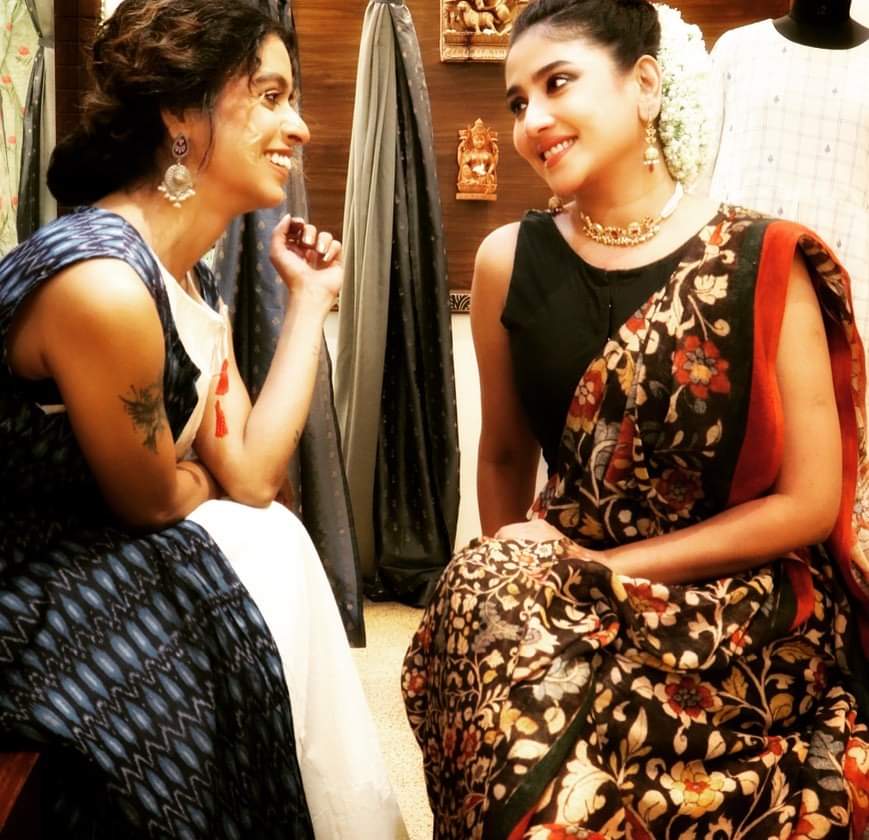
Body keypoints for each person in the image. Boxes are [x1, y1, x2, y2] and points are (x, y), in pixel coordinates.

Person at [402, 1, 869, 837]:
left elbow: (805, 503)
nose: (531, 121)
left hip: (736, 609)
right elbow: (504, 455)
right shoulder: (508, 259)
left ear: (645, 84)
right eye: (517, 101)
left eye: (557, 83)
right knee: (474, 598)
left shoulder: (763, 260)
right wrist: (531, 597)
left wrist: (606, 568)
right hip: (568, 588)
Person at [0, 1, 406, 837]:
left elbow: (251, 475)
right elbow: (152, 500)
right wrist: (193, 479)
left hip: (84, 550)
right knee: (251, 577)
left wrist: (310, 299)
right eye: (270, 96)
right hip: (21, 585)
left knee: (272, 538)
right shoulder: (105, 283)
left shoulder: (187, 276)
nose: (299, 126)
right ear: (180, 118)